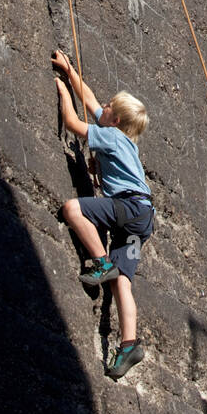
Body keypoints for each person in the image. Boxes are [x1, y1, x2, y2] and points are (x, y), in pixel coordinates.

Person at [52, 49, 154, 380]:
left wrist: (63, 90)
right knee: (122, 283)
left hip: (128, 206)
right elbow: (92, 97)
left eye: (108, 107)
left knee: (72, 209)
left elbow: (71, 122)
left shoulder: (109, 136)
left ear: (115, 120)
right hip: (144, 215)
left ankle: (101, 260)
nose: (103, 106)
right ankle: (128, 344)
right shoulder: (126, 142)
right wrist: (69, 68)